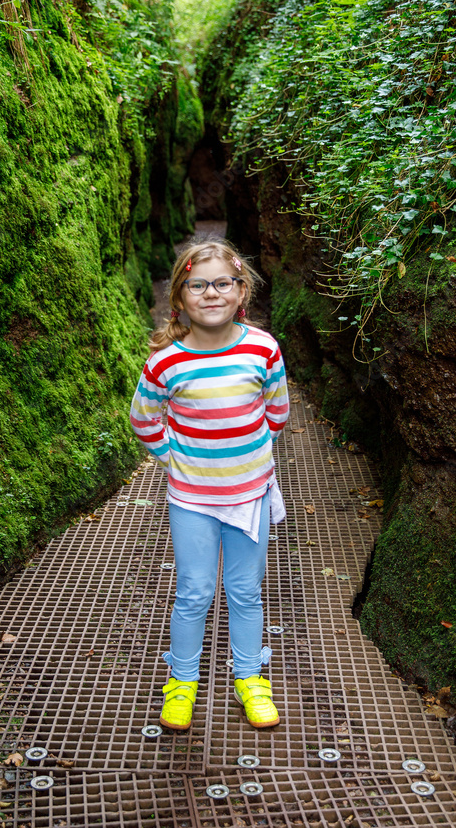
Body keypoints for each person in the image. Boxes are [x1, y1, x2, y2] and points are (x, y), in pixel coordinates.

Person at [129, 238, 290, 733]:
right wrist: (172, 458)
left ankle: (250, 677)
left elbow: (277, 412)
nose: (211, 293)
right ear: (179, 298)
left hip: (250, 495)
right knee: (194, 591)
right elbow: (143, 418)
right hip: (192, 500)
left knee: (245, 591)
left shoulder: (263, 349)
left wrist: (246, 458)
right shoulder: (166, 362)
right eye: (198, 285)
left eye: (223, 283)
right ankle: (182, 681)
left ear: (242, 292)